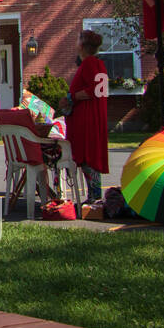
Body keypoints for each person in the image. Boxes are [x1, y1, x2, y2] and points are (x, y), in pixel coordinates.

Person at [62, 29, 109, 203]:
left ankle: (94, 196)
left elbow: (95, 90)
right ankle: (93, 195)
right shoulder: (97, 64)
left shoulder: (90, 64)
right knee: (89, 156)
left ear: (82, 44)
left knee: (87, 156)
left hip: (87, 119)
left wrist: (71, 97)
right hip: (90, 117)